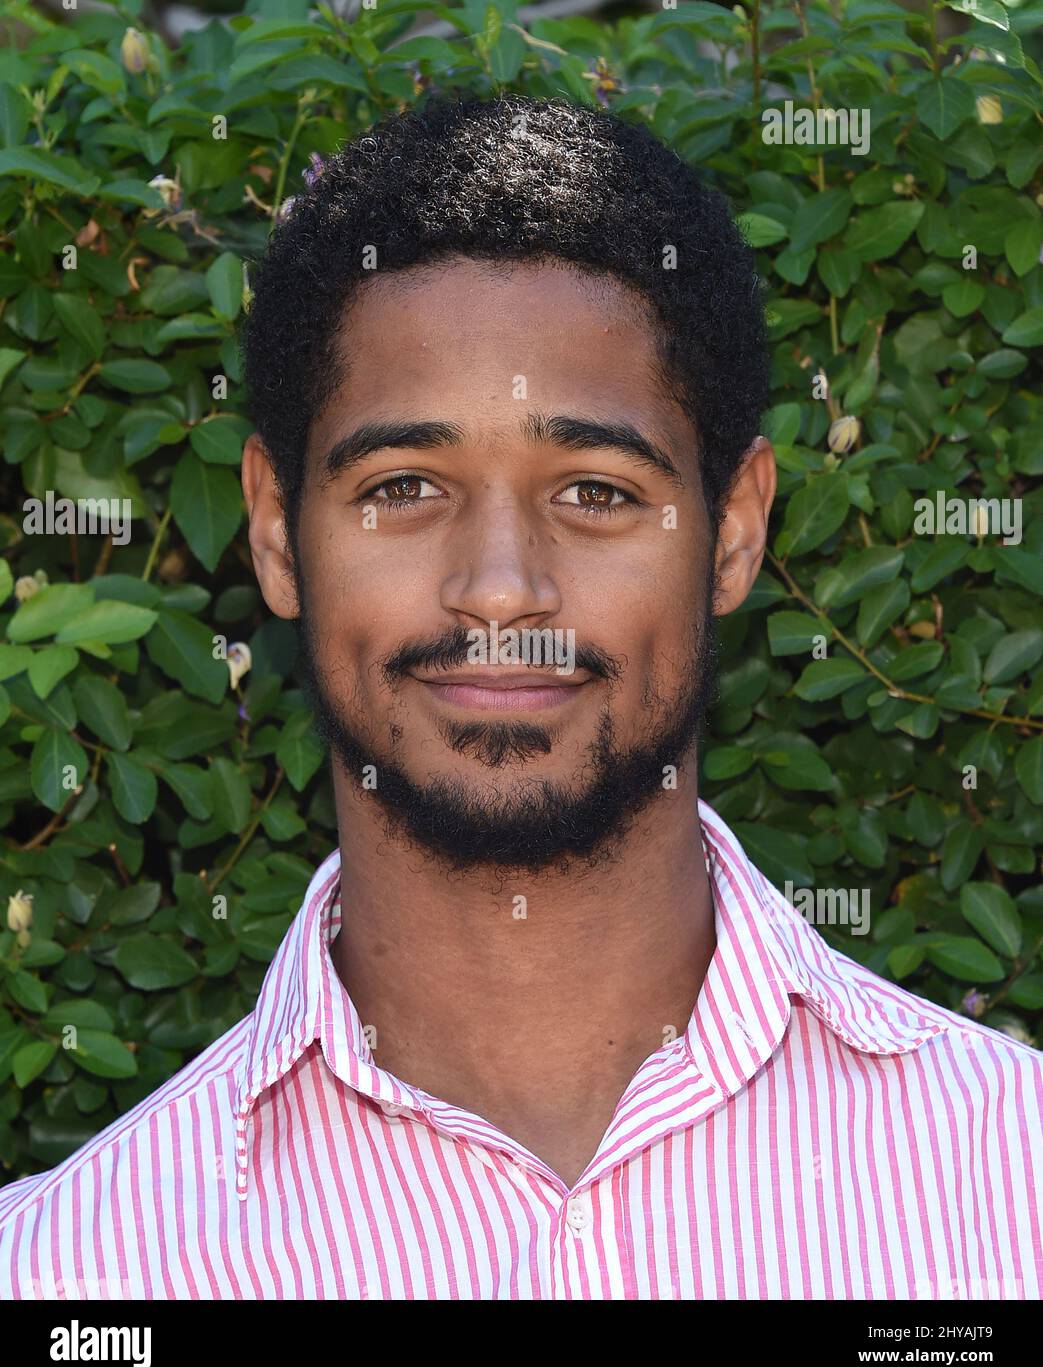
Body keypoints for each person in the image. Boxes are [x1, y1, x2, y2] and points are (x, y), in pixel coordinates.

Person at [1, 94, 1039, 1300]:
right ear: (279, 534)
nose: (500, 587)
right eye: (403, 484)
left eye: (594, 491)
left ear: (733, 533)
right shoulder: (69, 1273)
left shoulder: (1007, 1187)